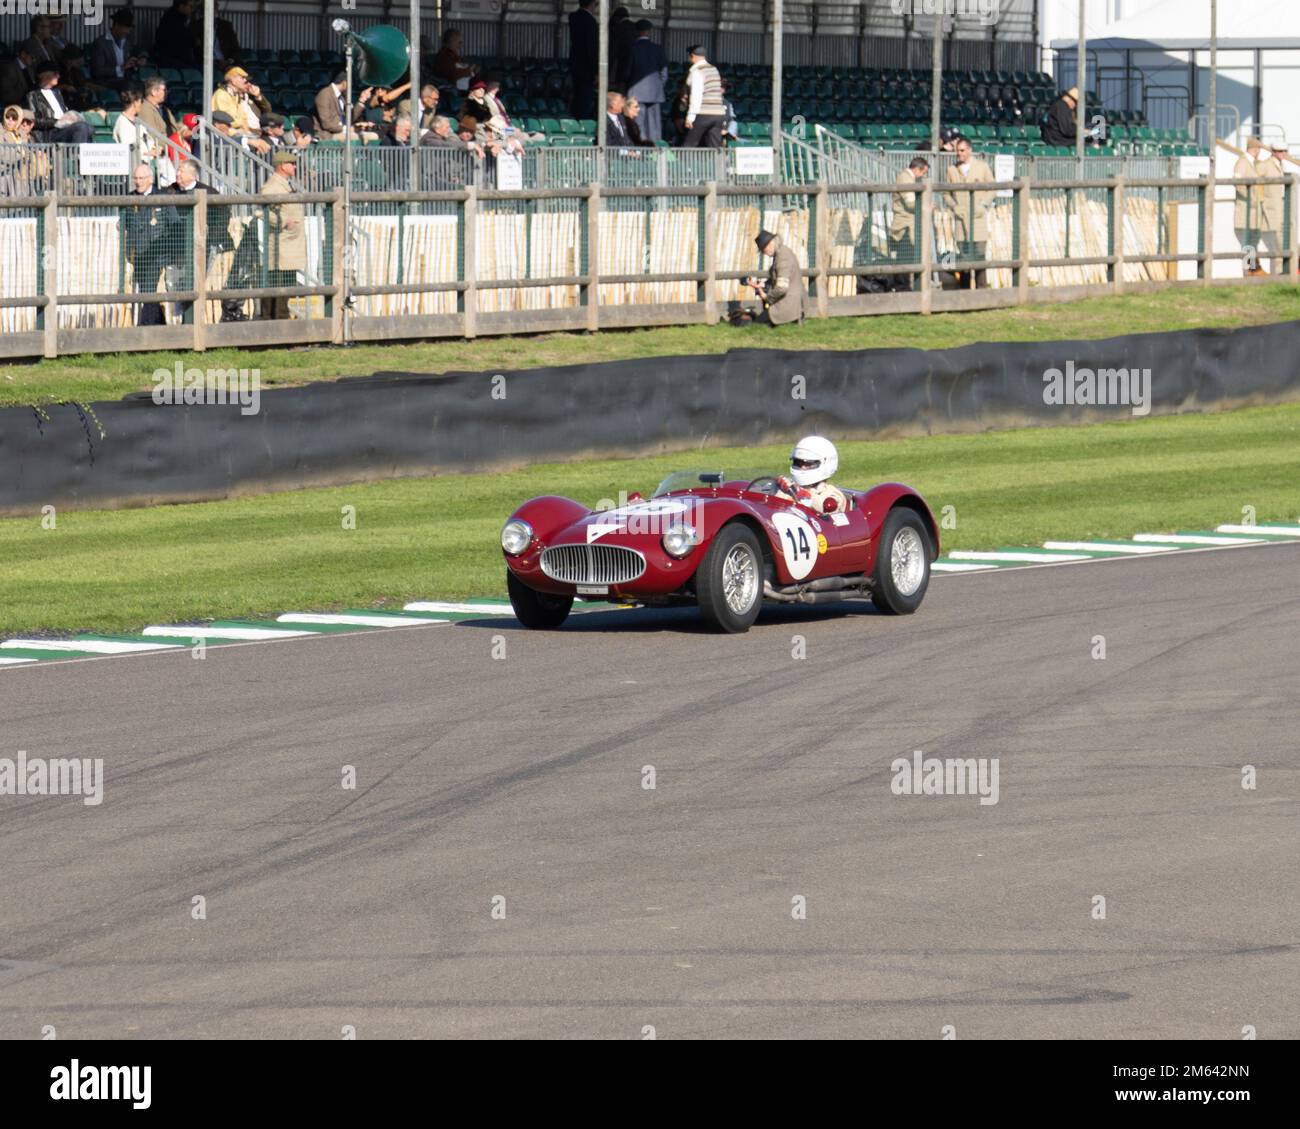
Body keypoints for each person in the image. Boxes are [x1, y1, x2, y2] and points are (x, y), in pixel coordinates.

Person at [124, 163, 179, 326]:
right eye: (136, 178)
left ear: (150, 179)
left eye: (141, 178)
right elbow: (126, 222)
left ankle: (145, 326)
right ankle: (158, 323)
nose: (138, 182)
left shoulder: (163, 197)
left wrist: (173, 251)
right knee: (146, 289)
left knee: (148, 288)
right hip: (137, 254)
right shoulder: (129, 198)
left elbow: (174, 223)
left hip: (156, 253)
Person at [943, 136, 995, 289]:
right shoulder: (951, 170)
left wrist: (983, 205)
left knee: (979, 255)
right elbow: (946, 193)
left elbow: (992, 188)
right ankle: (964, 291)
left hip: (977, 219)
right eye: (957, 151)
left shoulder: (982, 167)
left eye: (962, 150)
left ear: (970, 150)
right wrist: (954, 206)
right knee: (963, 257)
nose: (959, 153)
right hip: (961, 220)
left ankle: (982, 291)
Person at [260, 151, 305, 320]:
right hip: (281, 245)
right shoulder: (273, 186)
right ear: (282, 165)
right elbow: (262, 211)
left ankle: (277, 321)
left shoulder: (283, 184)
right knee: (279, 286)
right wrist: (284, 221)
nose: (294, 166)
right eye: (291, 163)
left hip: (287, 244)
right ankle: (278, 322)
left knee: (284, 286)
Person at [744, 229, 806, 326]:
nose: (764, 253)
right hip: (794, 303)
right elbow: (780, 277)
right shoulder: (782, 252)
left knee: (756, 324)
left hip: (789, 304)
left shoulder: (783, 258)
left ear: (769, 244)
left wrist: (767, 298)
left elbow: (782, 288)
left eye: (763, 250)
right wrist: (764, 284)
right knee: (759, 321)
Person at [776, 436, 847, 516]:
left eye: (808, 464)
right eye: (798, 463)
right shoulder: (787, 486)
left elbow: (825, 507)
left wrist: (799, 492)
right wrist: (776, 485)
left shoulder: (833, 493)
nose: (802, 467)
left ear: (826, 463)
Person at [888, 156, 928, 291]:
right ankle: (903, 289)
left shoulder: (908, 178)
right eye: (923, 172)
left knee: (908, 258)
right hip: (904, 226)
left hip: (908, 224)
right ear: (917, 169)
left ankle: (906, 288)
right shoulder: (906, 178)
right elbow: (910, 204)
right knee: (905, 260)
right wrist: (926, 206)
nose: (922, 176)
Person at [28, 63, 93, 144]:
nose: (58, 76)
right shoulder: (32, 94)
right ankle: (78, 155)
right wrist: (57, 121)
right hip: (50, 132)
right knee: (81, 127)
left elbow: (64, 112)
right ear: (43, 75)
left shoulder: (57, 92)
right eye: (55, 74)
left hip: (64, 128)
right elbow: (34, 120)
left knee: (89, 128)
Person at [626, 19, 667, 143]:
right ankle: (656, 152)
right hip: (655, 93)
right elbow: (664, 73)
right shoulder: (658, 49)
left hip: (636, 92)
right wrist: (659, 86)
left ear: (637, 31)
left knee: (638, 124)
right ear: (649, 31)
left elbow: (627, 72)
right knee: (655, 126)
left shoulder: (632, 48)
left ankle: (641, 149)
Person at [683, 45, 725, 149]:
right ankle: (717, 165)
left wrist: (690, 116)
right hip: (718, 114)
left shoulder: (697, 71)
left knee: (689, 145)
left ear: (692, 56)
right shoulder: (714, 69)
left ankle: (685, 165)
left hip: (703, 113)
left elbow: (696, 94)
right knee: (714, 148)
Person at [90, 9, 146, 89]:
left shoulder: (126, 43)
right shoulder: (100, 43)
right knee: (129, 86)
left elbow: (140, 52)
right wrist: (121, 68)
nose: (128, 32)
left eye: (129, 29)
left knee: (145, 86)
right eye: (126, 28)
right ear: (116, 25)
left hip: (124, 80)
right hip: (106, 82)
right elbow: (97, 71)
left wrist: (136, 63)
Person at [1258, 143, 1289, 276]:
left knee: (1281, 244)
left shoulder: (1281, 164)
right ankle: (1276, 275)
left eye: (1283, 151)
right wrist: (1263, 201)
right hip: (1270, 210)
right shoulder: (1265, 165)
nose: (1282, 153)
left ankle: (1280, 274)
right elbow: (1257, 184)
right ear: (1273, 152)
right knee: (1277, 244)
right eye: (1279, 151)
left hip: (1280, 209)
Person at [1234, 138, 1264, 273]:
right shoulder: (1242, 162)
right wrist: (1250, 199)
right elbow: (1237, 182)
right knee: (1247, 242)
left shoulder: (1251, 163)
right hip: (1245, 211)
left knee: (1251, 242)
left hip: (1252, 212)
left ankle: (1252, 270)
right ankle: (1248, 272)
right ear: (1255, 149)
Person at [314, 71, 372, 139]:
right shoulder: (325, 94)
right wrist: (347, 129)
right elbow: (326, 124)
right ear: (344, 83)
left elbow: (350, 118)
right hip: (328, 135)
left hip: (343, 132)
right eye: (350, 84)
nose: (351, 87)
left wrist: (362, 100)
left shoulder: (342, 96)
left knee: (371, 136)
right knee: (358, 137)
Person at [568, 0, 598, 119]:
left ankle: (576, 120)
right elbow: (591, 48)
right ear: (591, 4)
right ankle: (583, 122)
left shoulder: (574, 17)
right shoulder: (590, 21)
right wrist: (595, 70)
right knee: (585, 97)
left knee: (577, 94)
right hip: (587, 65)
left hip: (575, 62)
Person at [153, 0, 197, 68]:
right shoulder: (171, 20)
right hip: (173, 60)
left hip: (178, 58)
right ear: (181, 6)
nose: (192, 9)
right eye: (190, 7)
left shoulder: (182, 18)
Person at [610, 6, 637, 89]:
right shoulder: (635, 26)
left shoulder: (617, 29)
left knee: (621, 93)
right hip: (635, 67)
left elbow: (613, 51)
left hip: (622, 66)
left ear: (617, 18)